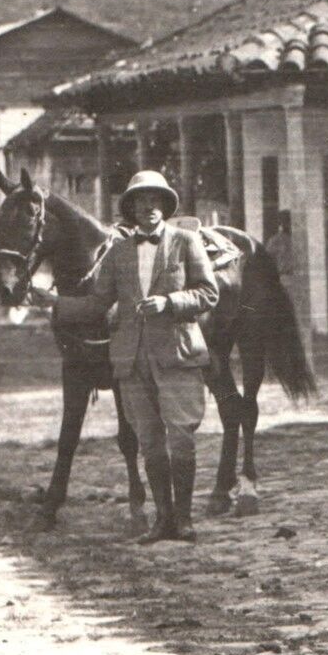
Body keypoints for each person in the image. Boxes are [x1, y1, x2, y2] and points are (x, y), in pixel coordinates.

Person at [85, 168, 218, 543]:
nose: (150, 208)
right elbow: (98, 301)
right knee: (149, 441)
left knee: (182, 438)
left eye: (156, 200)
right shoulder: (118, 252)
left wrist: (170, 302)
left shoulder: (185, 242)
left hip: (176, 353)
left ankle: (185, 520)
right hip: (132, 360)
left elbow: (208, 293)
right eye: (142, 201)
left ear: (165, 206)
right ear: (131, 208)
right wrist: (54, 304)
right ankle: (163, 519)